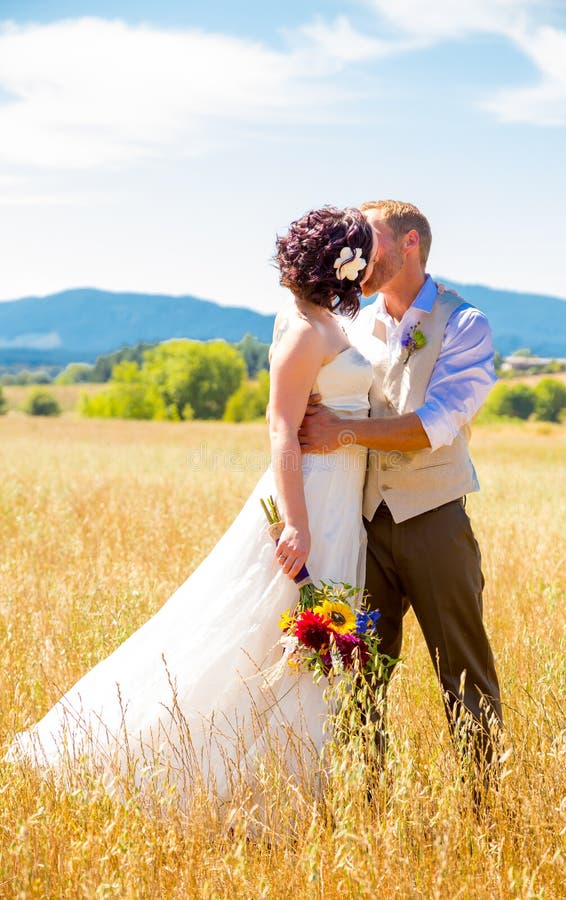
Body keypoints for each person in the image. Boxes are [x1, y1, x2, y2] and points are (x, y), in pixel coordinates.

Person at [6, 206, 378, 808]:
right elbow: (281, 430)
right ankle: (195, 769)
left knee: (297, 644)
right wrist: (297, 526)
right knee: (258, 631)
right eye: (360, 256)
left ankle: (284, 786)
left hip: (340, 501)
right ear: (346, 262)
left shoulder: (324, 321)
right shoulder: (305, 331)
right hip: (310, 499)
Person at [299, 200, 503, 774]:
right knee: (359, 675)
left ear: (410, 242)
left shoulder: (465, 323)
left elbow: (434, 426)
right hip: (361, 524)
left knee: (463, 674)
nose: (360, 252)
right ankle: (368, 808)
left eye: (373, 239)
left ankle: (486, 808)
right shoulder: (356, 325)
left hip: (435, 518)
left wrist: (341, 433)